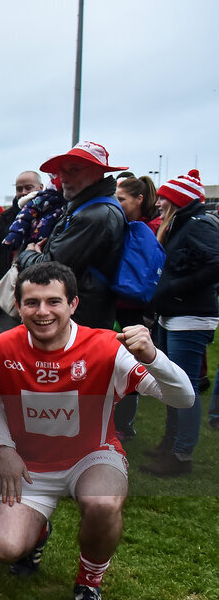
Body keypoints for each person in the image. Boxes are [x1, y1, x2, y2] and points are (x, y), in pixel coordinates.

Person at [0, 262, 193, 600]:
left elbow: (184, 398)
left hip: (91, 457)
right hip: (31, 465)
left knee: (102, 504)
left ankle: (88, 585)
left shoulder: (107, 348)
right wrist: (5, 449)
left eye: (54, 301)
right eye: (32, 303)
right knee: (3, 548)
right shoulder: (0, 348)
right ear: (18, 306)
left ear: (73, 304)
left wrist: (153, 357)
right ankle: (38, 530)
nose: (43, 312)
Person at [139, 170, 219, 477]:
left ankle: (181, 455)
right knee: (174, 385)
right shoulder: (184, 223)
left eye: (163, 198)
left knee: (185, 388)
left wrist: (175, 289)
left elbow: (216, 264)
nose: (158, 203)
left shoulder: (199, 224)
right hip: (176, 315)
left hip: (191, 317)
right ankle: (170, 444)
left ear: (177, 200)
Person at [16, 141, 127, 330]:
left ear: (97, 172)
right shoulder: (91, 208)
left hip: (82, 318)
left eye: (74, 170)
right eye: (62, 171)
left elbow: (51, 270)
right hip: (83, 314)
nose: (64, 178)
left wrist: (27, 254)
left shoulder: (95, 215)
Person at [111, 175, 161, 440]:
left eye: (122, 200)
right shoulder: (127, 224)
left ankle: (123, 424)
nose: (117, 204)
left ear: (139, 199)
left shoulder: (147, 228)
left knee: (129, 364)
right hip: (119, 304)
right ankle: (116, 422)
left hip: (134, 308)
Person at [0, 171, 44, 338]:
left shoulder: (52, 216)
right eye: (19, 189)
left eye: (28, 187)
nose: (24, 192)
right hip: (4, 299)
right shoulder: (5, 219)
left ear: (41, 187)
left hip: (39, 298)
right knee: (3, 346)